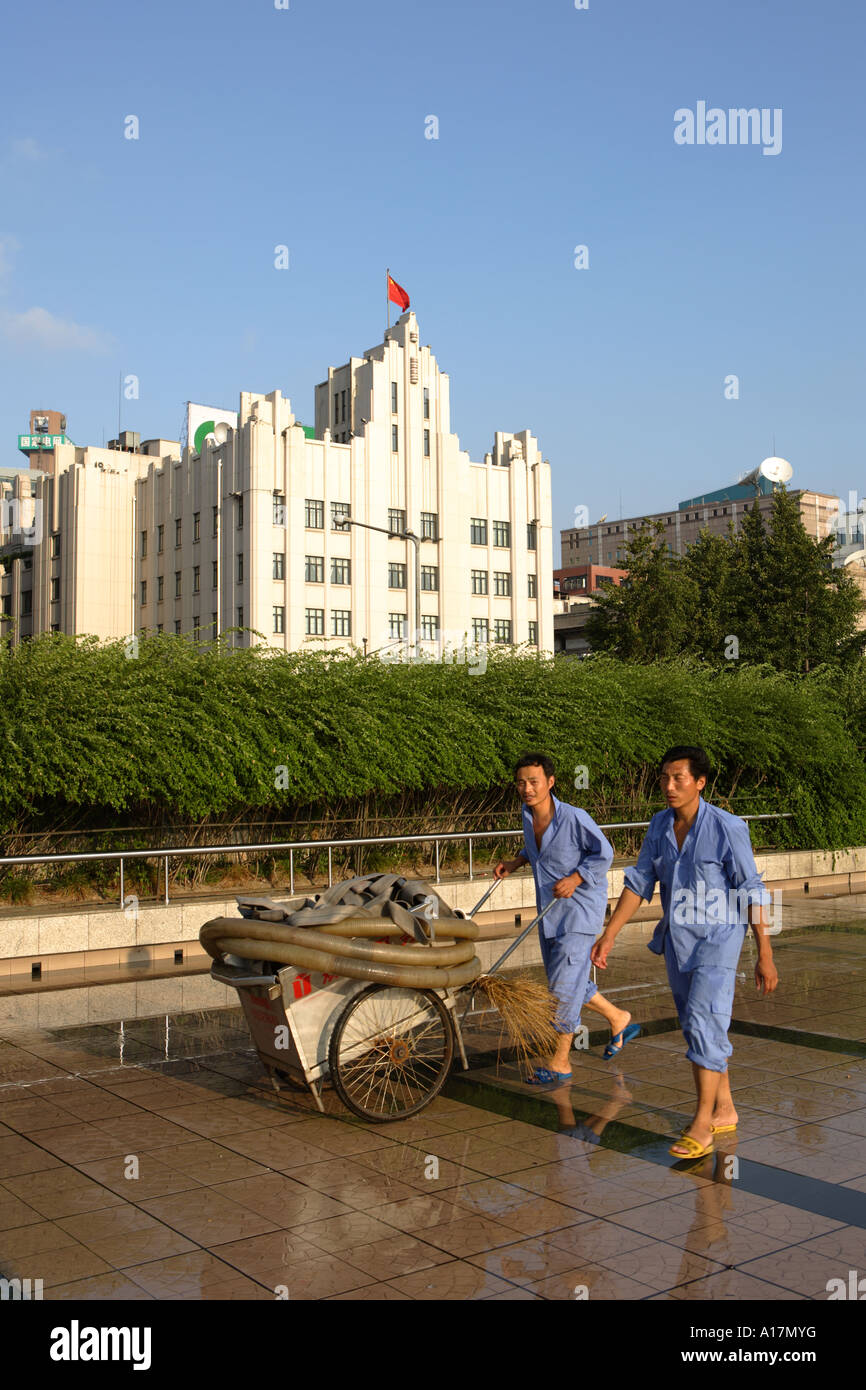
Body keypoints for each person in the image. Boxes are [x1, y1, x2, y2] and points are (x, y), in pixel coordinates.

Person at [591, 744, 779, 1159]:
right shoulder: (659, 826)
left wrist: (764, 949)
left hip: (719, 938)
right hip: (678, 940)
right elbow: (640, 882)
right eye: (664, 777)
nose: (670, 785)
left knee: (700, 1020)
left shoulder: (727, 827)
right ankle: (725, 1108)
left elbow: (751, 889)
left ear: (700, 782)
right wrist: (609, 934)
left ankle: (701, 1123)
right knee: (701, 1024)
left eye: (679, 778)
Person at [494, 753, 639, 1085]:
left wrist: (576, 878)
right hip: (550, 914)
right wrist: (515, 862)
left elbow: (605, 853)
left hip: (579, 914)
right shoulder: (527, 816)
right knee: (568, 982)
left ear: (550, 782)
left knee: (561, 990)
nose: (527, 789)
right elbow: (535, 851)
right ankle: (618, 1017)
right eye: (521, 782)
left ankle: (560, 1063)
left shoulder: (575, 818)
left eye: (534, 782)